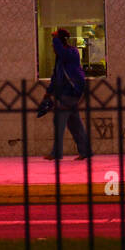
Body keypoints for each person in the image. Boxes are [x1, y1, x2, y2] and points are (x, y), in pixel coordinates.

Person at [43, 29, 92, 161]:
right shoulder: (61, 59)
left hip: (69, 93)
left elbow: (61, 50)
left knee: (59, 122)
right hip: (67, 94)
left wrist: (55, 37)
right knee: (75, 123)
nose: (53, 48)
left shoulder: (71, 53)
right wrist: (48, 92)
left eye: (54, 44)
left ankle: (56, 153)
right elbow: (55, 77)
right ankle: (85, 151)